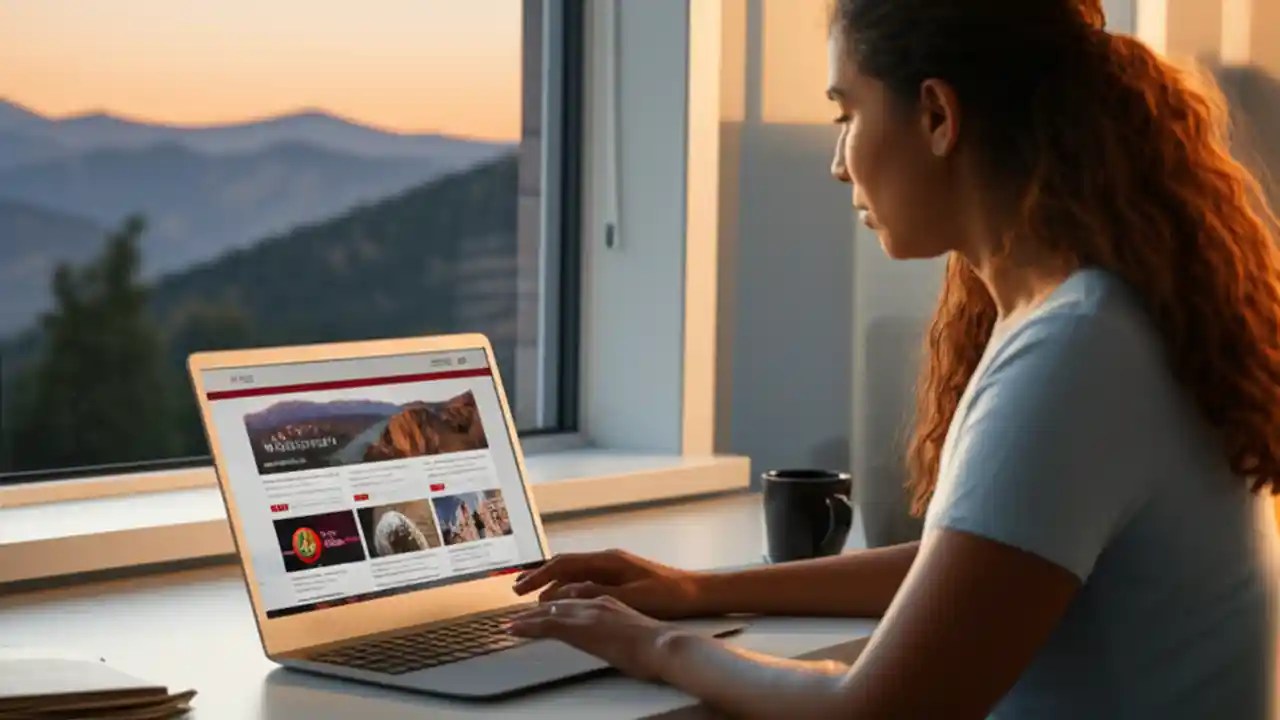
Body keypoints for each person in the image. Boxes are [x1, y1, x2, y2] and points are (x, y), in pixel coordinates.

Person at [507, 1, 1280, 717]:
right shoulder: (1092, 316)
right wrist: (694, 588)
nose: (839, 161)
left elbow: (877, 711)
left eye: (846, 112)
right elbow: (978, 564)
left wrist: (657, 647)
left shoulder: (1077, 348)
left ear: (938, 115)